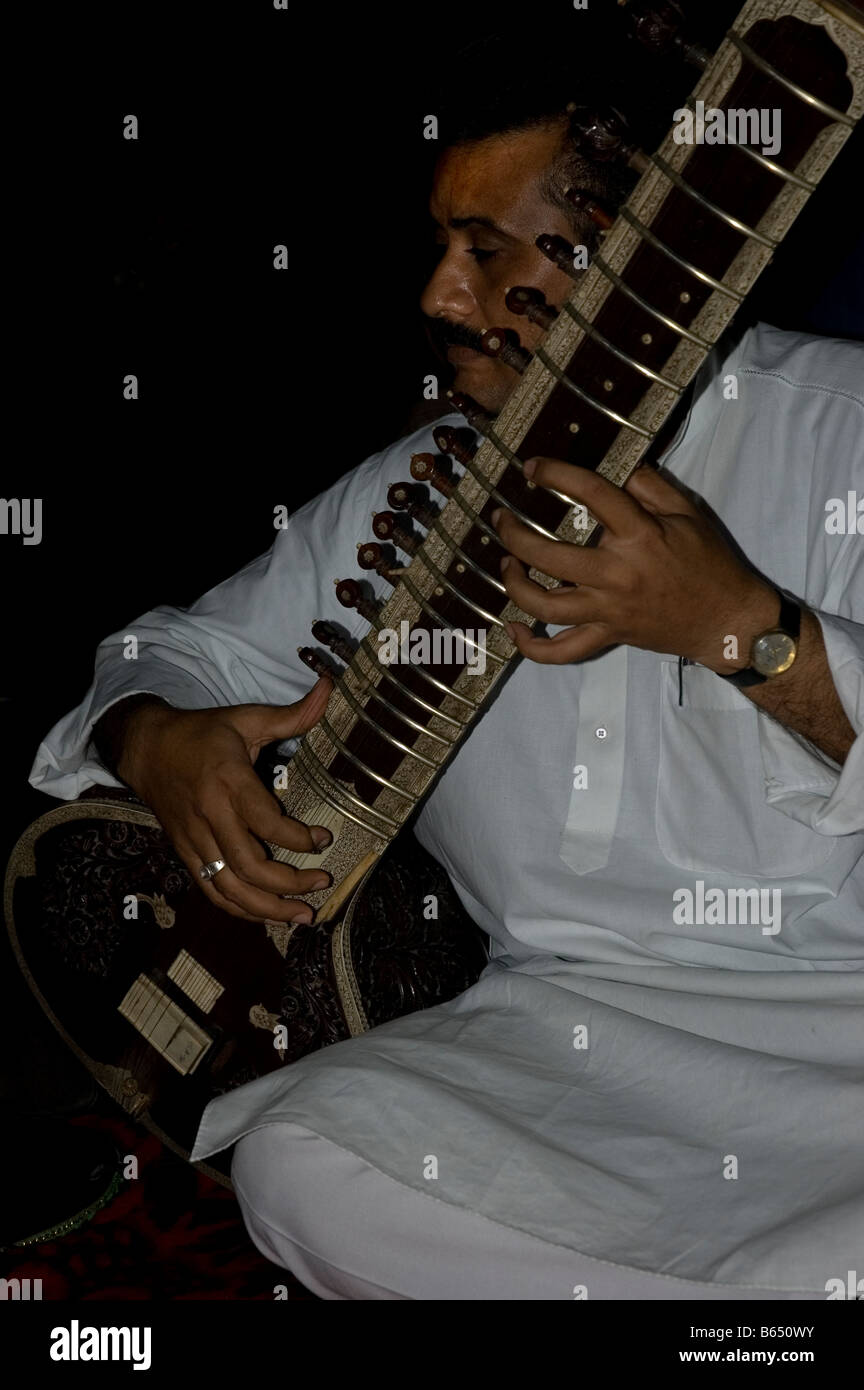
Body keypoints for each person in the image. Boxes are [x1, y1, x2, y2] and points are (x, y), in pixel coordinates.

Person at [30, 35, 863, 1299]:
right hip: (557, 1032)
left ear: (640, 258)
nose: (440, 297)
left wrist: (738, 626)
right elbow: (162, 649)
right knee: (307, 1156)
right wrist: (159, 736)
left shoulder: (845, 429)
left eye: (490, 251)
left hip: (835, 1029)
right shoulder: (415, 497)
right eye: (443, 244)